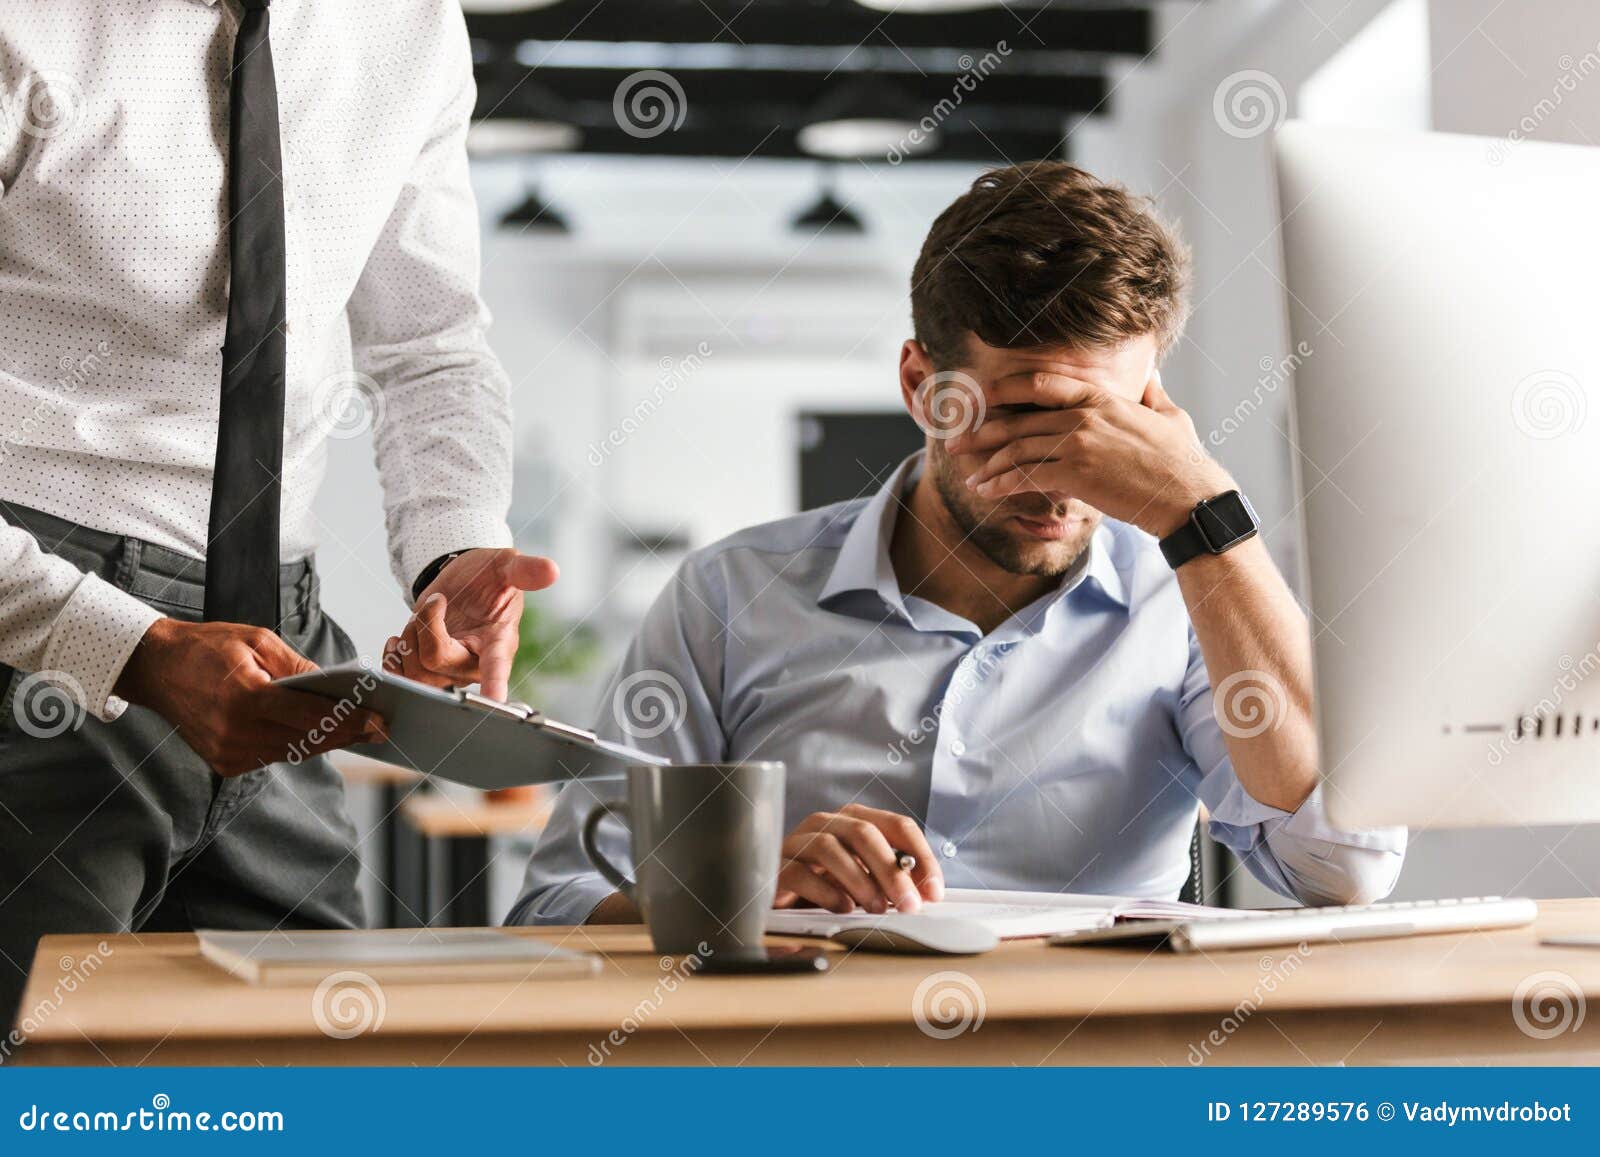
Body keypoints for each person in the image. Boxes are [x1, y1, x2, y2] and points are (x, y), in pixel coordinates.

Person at [512, 161, 1405, 926]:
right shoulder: (729, 594)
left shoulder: (1189, 601)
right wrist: (735, 890)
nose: (1062, 475)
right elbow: (556, 896)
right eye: (1019, 415)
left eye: (1106, 424)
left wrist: (1206, 510)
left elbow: (1342, 865)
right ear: (920, 384)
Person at [0, 1, 555, 1028]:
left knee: (309, 1067)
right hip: (40, 626)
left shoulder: (410, 26)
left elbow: (429, 344)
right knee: (34, 1079)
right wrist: (128, 645)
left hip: (279, 639)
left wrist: (457, 545)